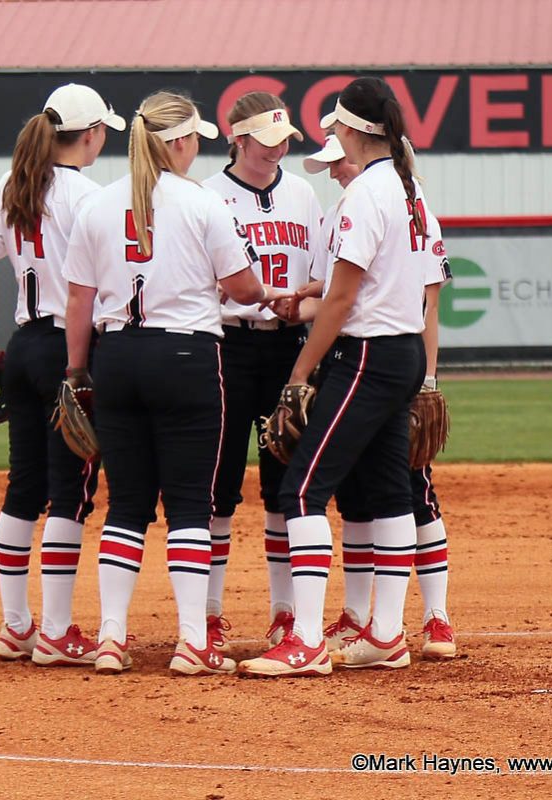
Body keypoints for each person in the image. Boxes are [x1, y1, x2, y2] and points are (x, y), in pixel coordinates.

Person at [63, 91, 280, 676]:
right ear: (180, 142)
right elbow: (240, 288)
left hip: (117, 356)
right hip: (186, 355)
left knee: (126, 504)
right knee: (190, 503)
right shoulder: (202, 202)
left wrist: (77, 372)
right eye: (195, 139)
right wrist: (272, 296)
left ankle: (110, 638)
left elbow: (79, 299)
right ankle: (193, 643)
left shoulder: (98, 204)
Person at [238, 77, 435, 677]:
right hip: (404, 353)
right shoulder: (405, 188)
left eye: (335, 125)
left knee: (300, 491)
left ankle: (304, 641)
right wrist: (314, 292)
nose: (330, 134)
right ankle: (387, 634)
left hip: (368, 356)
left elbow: (345, 299)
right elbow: (372, 282)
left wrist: (299, 374)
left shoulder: (364, 196)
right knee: (389, 492)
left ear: (353, 130)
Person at [0, 83, 124, 667]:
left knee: (23, 485)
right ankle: (57, 632)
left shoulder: (11, 185)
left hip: (24, 343)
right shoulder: (90, 195)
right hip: (69, 347)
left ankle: (16, 627)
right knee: (70, 492)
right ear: (91, 135)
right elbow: (101, 285)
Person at [297, 134, 457, 661]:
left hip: (377, 356)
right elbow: (330, 295)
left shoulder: (395, 200)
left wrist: (428, 382)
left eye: (337, 159)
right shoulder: (346, 206)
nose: (332, 171)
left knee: (410, 490)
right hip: (362, 354)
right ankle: (375, 625)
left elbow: (426, 302)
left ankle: (436, 618)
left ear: (361, 145)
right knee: (372, 492)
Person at [200, 92, 323, 652]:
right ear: (239, 140)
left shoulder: (301, 192)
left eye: (284, 142)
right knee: (219, 486)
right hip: (227, 343)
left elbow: (320, 271)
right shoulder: (206, 195)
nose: (278, 152)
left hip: (287, 347)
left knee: (283, 486)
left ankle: (284, 612)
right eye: (267, 142)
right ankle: (210, 612)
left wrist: (302, 303)